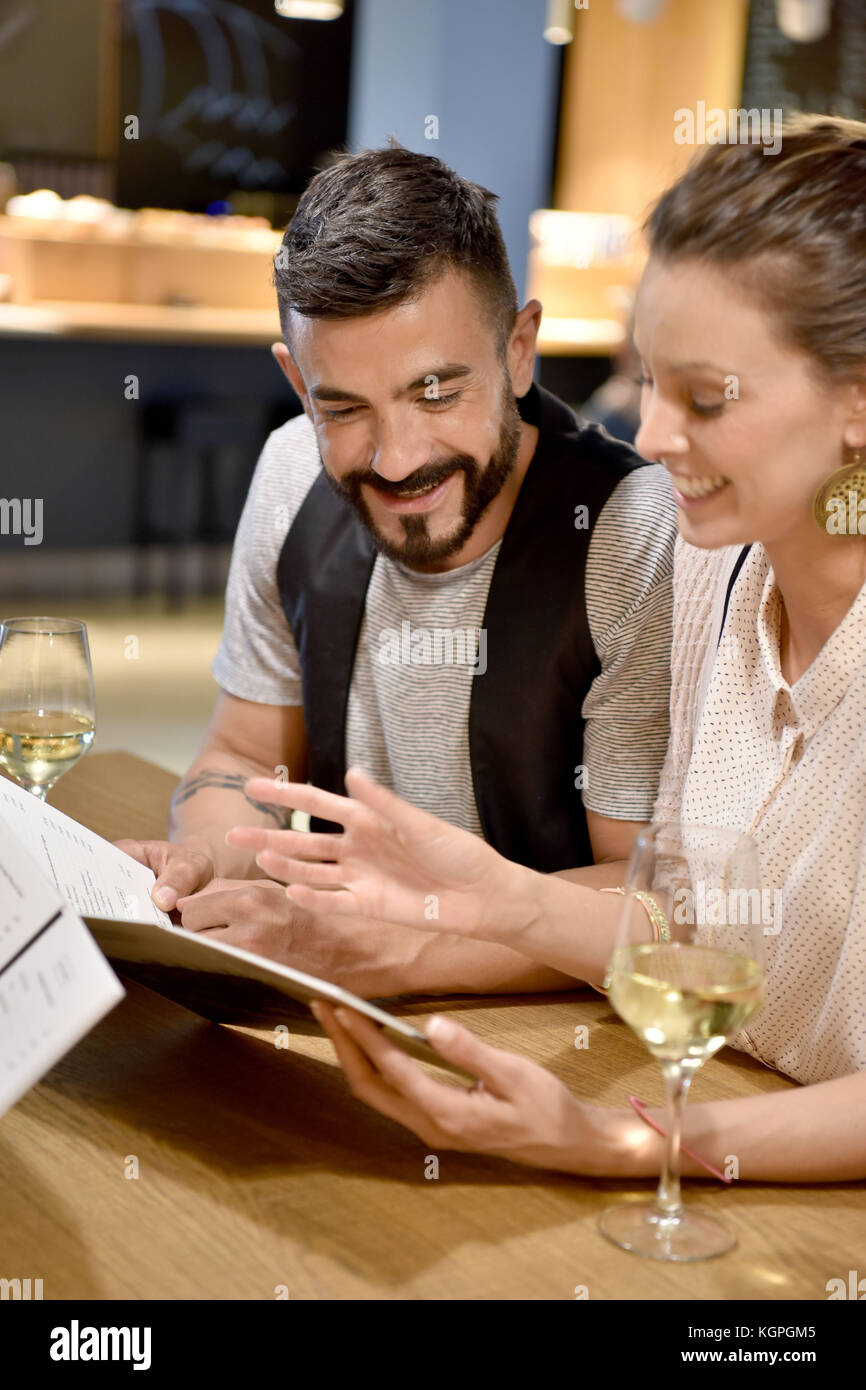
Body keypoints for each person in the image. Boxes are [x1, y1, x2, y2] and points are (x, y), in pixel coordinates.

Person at [228, 116, 866, 1182]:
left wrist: (620, 1141)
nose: (652, 438)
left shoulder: (667, 542)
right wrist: (494, 897)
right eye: (646, 381)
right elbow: (696, 935)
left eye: (703, 397)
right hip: (725, 1116)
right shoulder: (720, 567)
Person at [118, 145, 677, 999]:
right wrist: (210, 864)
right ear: (296, 381)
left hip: (560, 1044)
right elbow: (241, 755)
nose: (395, 458)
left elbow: (644, 897)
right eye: (341, 408)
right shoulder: (289, 474)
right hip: (336, 1014)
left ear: (519, 351)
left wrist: (370, 953)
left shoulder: (631, 534)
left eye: (436, 393)